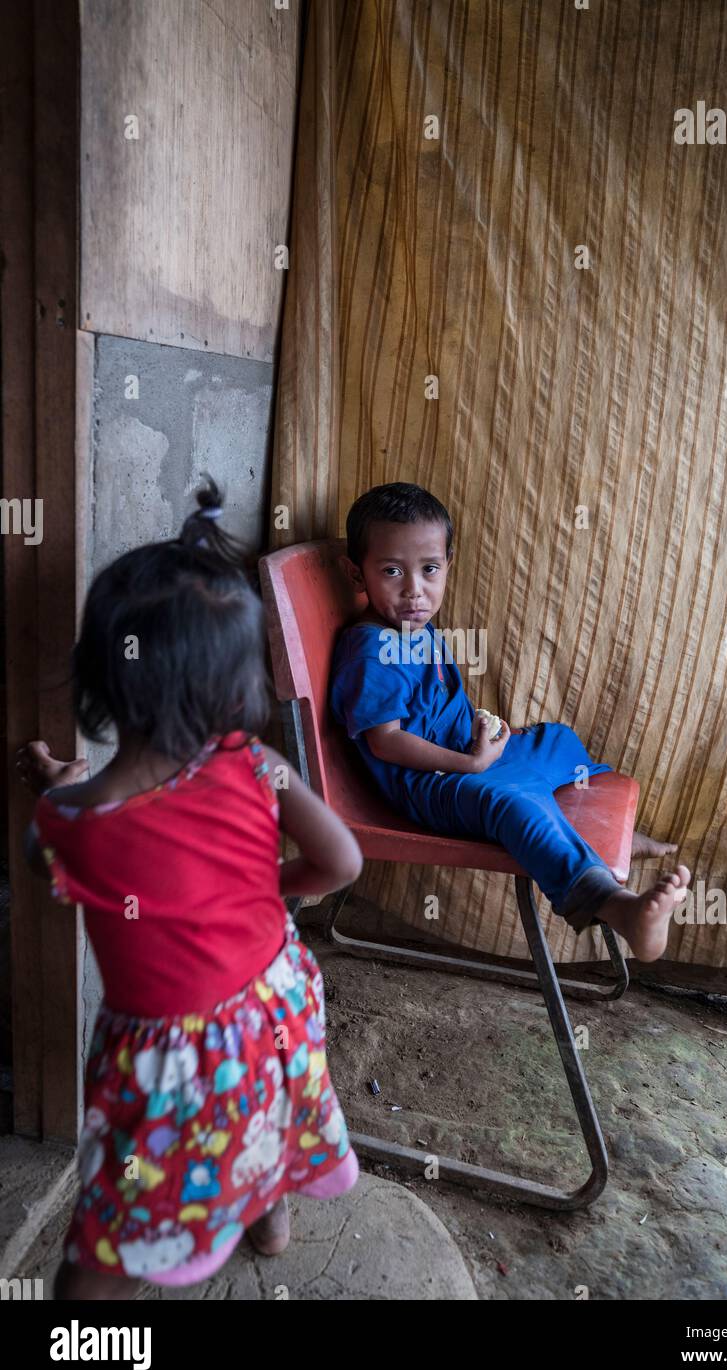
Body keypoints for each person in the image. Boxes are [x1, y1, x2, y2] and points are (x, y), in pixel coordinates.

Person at [18, 480, 363, 1300]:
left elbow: (49, 864)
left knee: (110, 1238)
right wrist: (270, 890)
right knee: (263, 1124)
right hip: (275, 1012)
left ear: (101, 680)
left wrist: (66, 788)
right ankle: (269, 1221)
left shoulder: (71, 823)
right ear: (235, 684)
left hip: (173, 1068)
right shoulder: (259, 767)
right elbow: (343, 861)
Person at [330, 481, 690, 961]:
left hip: (464, 752)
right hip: (426, 784)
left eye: (430, 570)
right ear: (358, 575)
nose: (415, 590)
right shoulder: (373, 650)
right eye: (392, 571)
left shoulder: (412, 624)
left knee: (555, 741)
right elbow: (387, 743)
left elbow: (435, 701)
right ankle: (617, 907)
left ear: (447, 567)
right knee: (514, 804)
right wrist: (472, 765)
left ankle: (603, 839)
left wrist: (481, 735)